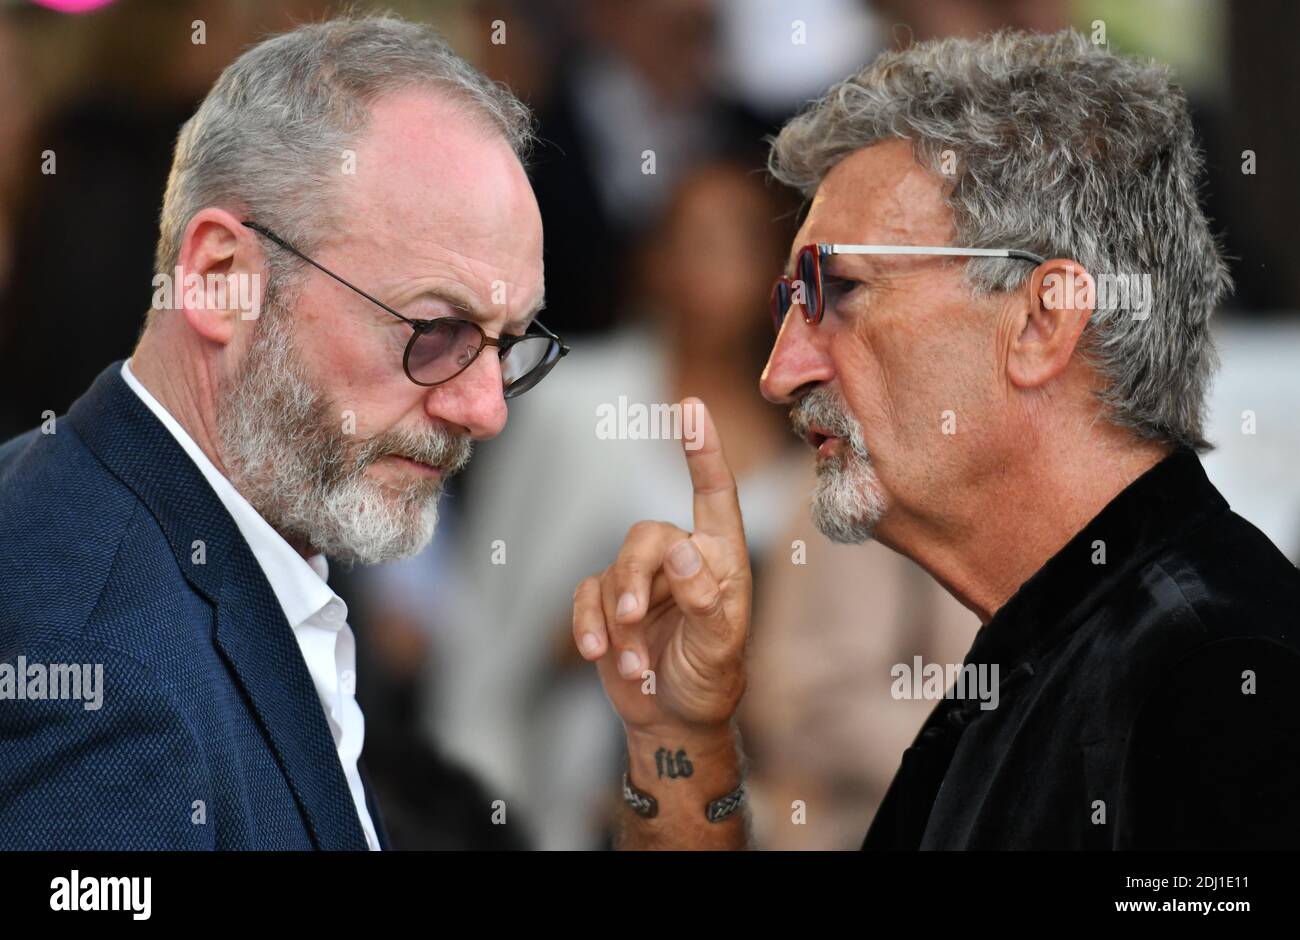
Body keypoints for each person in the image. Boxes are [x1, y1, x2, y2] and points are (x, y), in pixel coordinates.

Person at [572, 29, 1300, 850]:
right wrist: (680, 736)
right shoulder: (1047, 644)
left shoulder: (1221, 682)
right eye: (787, 305)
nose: (780, 372)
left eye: (837, 290)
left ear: (1041, 321)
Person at [0, 14, 563, 850]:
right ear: (221, 279)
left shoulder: (212, 533)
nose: (486, 409)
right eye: (435, 331)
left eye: (510, 344)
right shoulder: (101, 668)